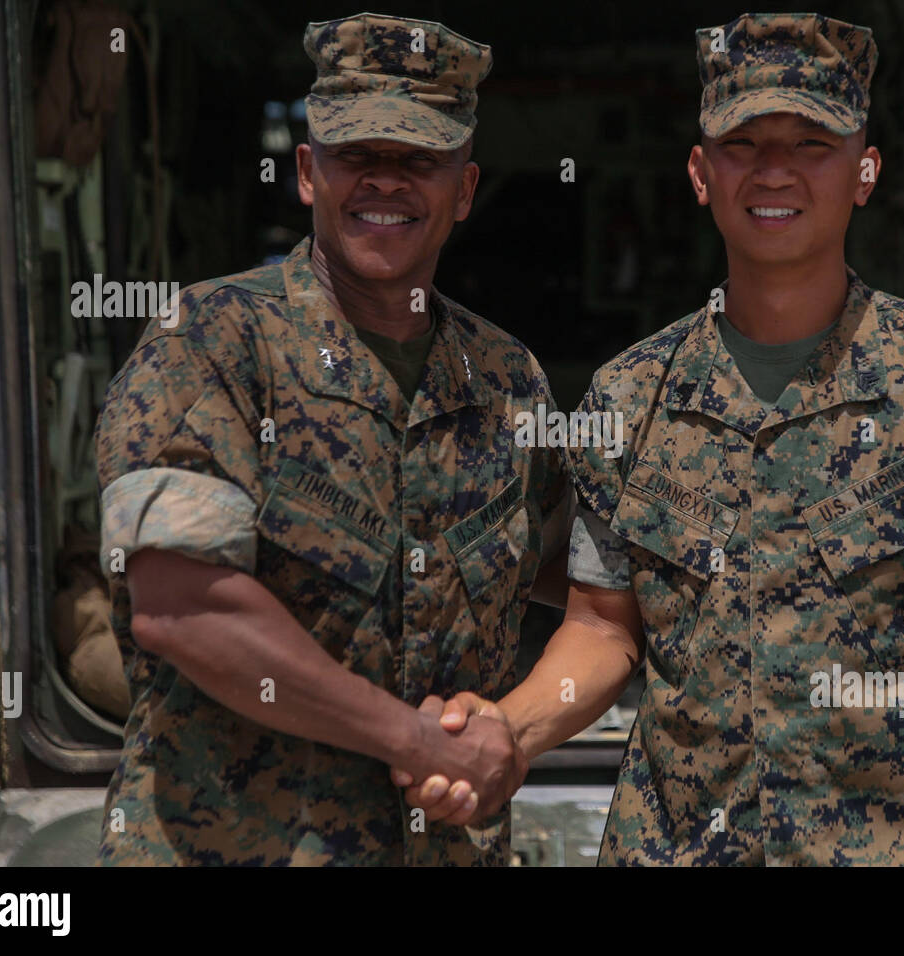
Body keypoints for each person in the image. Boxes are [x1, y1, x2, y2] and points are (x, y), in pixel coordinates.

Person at [394, 12, 904, 865]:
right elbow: (604, 629)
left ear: (865, 172)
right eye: (744, 143)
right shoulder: (631, 397)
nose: (775, 169)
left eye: (813, 142)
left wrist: (902, 705)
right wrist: (507, 730)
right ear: (702, 173)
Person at [93, 12, 571, 866]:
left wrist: (512, 731)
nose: (386, 183)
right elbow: (179, 605)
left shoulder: (507, 381)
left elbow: (578, 582)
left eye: (419, 160)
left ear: (463, 192)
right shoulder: (212, 339)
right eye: (359, 157)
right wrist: (415, 742)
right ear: (310, 173)